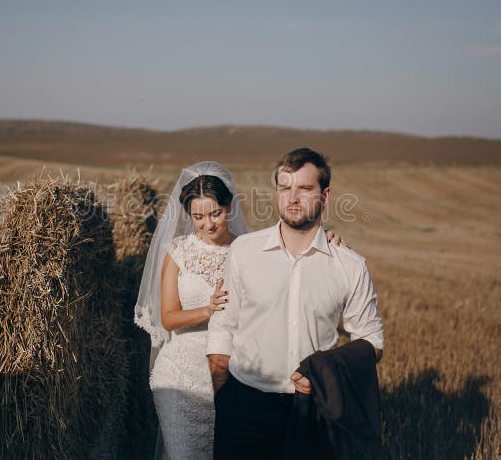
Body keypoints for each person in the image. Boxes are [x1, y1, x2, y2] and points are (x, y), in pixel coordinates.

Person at [134, 161, 348, 460]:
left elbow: (292, 269)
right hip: (179, 376)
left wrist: (329, 241)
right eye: (197, 217)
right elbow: (168, 318)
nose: (207, 224)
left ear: (230, 207)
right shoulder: (177, 251)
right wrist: (209, 309)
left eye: (215, 214)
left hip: (232, 373)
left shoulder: (250, 250)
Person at [206, 148, 385, 460]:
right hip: (244, 405)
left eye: (304, 188)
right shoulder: (244, 252)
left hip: (313, 410)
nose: (292, 198)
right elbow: (224, 326)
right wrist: (222, 393)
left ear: (325, 196)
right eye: (284, 188)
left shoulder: (349, 265)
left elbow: (372, 340)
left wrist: (324, 370)